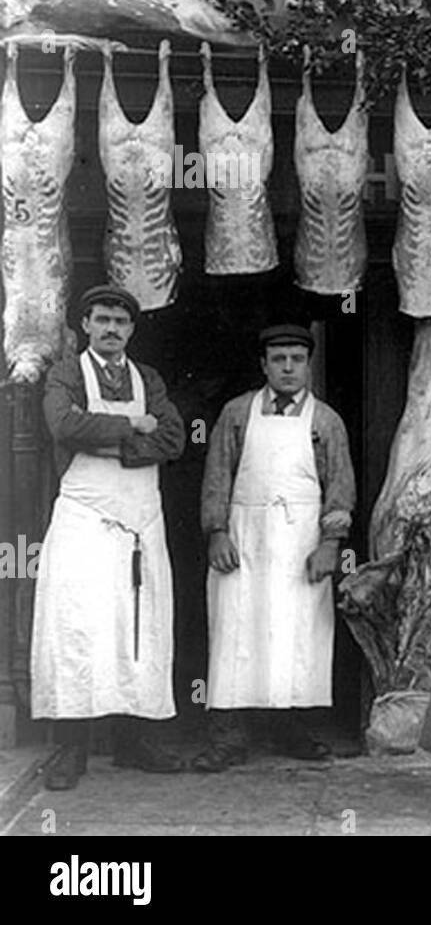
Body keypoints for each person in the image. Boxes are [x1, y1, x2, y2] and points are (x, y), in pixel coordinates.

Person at [32, 285, 187, 790]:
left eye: (120, 322)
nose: (112, 330)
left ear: (132, 330)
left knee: (139, 630)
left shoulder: (150, 379)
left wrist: (119, 445)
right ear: (85, 325)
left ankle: (134, 742)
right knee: (78, 627)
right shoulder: (65, 373)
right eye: (102, 320)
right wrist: (131, 424)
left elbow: (172, 438)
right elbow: (64, 426)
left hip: (140, 520)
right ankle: (71, 749)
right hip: (84, 518)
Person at [193, 324, 355, 771]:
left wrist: (331, 543)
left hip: (301, 543)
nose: (288, 368)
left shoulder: (325, 421)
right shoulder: (237, 413)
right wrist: (217, 531)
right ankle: (227, 737)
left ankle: (290, 729)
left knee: (296, 635)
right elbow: (217, 476)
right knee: (234, 632)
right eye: (279, 359)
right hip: (245, 537)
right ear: (264, 364)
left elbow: (340, 486)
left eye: (297, 359)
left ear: (308, 364)